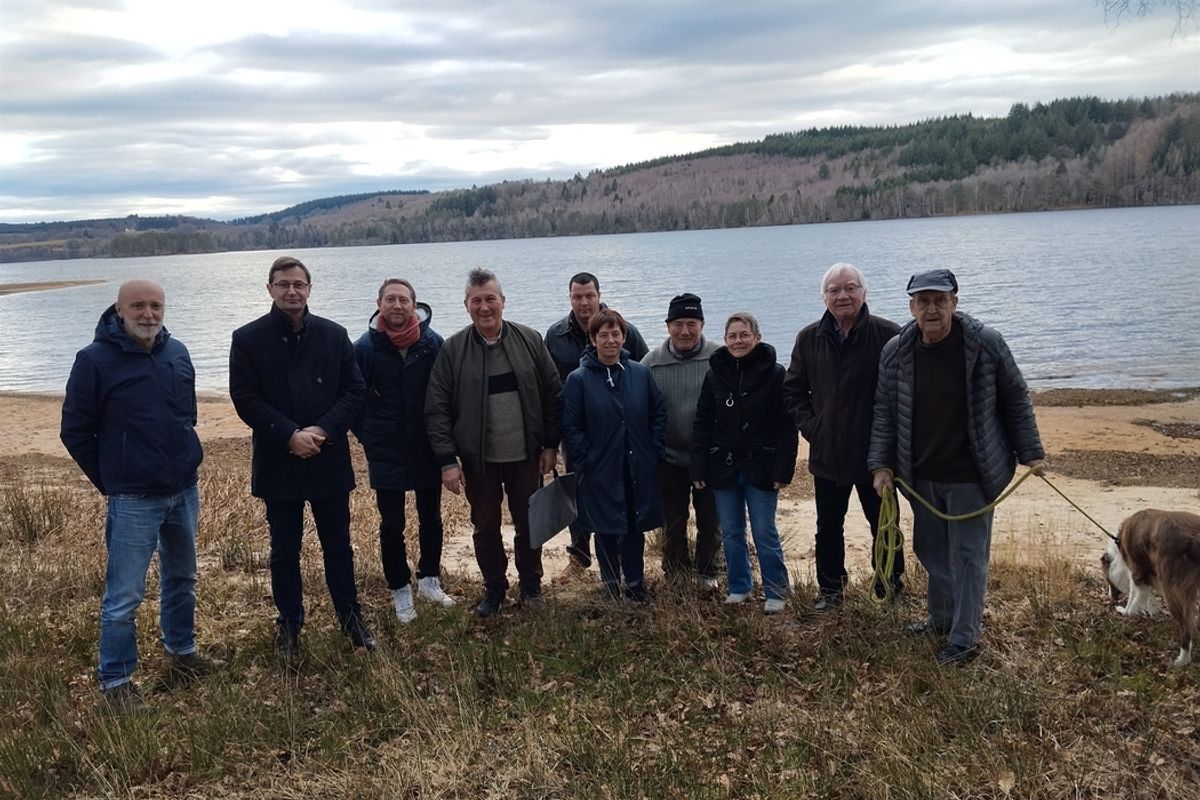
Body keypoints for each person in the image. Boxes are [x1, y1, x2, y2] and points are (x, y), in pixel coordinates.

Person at [869, 269, 1046, 665]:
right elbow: (884, 410)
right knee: (931, 551)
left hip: (972, 474)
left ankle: (965, 638)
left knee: (967, 558)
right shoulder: (895, 351)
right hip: (920, 475)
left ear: (954, 302)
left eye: (939, 300)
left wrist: (1031, 451)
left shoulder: (986, 343)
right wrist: (881, 465)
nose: (931, 309)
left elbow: (1015, 397)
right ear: (912, 308)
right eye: (923, 302)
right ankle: (942, 618)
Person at [61, 279, 221, 712]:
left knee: (183, 577)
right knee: (125, 595)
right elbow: (75, 431)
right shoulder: (94, 360)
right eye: (138, 306)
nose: (148, 314)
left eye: (155, 305)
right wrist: (113, 480)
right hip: (132, 497)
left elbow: (187, 414)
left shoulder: (177, 352)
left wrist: (186, 458)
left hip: (183, 488)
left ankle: (182, 653)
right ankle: (115, 682)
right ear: (119, 309)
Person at [229, 256, 373, 662]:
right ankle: (289, 625)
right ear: (270, 289)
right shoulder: (247, 338)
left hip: (328, 457)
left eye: (298, 284)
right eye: (283, 284)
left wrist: (322, 431)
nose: (291, 291)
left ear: (309, 288)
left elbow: (354, 392)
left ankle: (351, 619)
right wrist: (289, 435)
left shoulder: (334, 334)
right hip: (279, 458)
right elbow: (245, 398)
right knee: (283, 549)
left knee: (338, 546)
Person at [425, 268, 562, 617]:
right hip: (478, 461)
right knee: (485, 527)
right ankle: (495, 589)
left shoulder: (530, 340)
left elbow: (552, 393)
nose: (484, 307)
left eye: (490, 299)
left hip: (526, 456)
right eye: (476, 301)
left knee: (528, 524)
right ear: (466, 306)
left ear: (503, 301)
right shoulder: (453, 350)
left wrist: (550, 444)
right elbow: (437, 409)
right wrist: (447, 461)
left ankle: (531, 585)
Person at [783, 263, 904, 610]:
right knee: (828, 528)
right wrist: (814, 428)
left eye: (850, 288)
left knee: (885, 525)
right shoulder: (809, 338)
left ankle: (889, 587)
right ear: (824, 297)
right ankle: (831, 591)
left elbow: (904, 393)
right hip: (828, 454)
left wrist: (891, 445)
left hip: (875, 456)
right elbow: (793, 391)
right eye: (834, 290)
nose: (843, 295)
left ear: (864, 293)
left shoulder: (889, 335)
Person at [353, 278, 453, 624]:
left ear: (414, 304)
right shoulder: (364, 348)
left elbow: (445, 394)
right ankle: (399, 589)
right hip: (386, 449)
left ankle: (429, 580)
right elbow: (354, 399)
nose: (397, 305)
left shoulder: (432, 343)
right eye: (390, 299)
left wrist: (443, 441)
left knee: (431, 518)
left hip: (426, 446)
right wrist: (371, 438)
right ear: (379, 304)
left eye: (404, 300)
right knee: (391, 524)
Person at [545, 272, 649, 584]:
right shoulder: (556, 336)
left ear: (599, 295)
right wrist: (552, 439)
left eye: (589, 295)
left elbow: (644, 374)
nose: (584, 302)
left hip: (620, 433)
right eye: (577, 296)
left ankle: (622, 559)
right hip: (577, 433)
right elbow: (549, 387)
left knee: (620, 494)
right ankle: (579, 555)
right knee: (578, 493)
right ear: (570, 298)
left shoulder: (623, 330)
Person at [692, 312, 797, 614]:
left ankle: (776, 590)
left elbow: (786, 426)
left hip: (761, 466)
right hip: (723, 466)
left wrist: (783, 469)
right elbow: (702, 422)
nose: (738, 341)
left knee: (764, 531)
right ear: (725, 340)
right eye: (732, 336)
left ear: (757, 338)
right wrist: (698, 466)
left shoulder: (775, 373)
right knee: (731, 532)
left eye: (744, 335)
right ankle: (739, 586)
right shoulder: (715, 374)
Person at [562, 308, 666, 600]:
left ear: (624, 337)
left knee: (634, 525)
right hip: (599, 468)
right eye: (603, 335)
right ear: (592, 339)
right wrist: (586, 460)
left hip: (636, 464)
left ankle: (635, 583)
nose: (610, 340)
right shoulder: (578, 379)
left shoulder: (640, 373)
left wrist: (653, 451)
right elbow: (571, 426)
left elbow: (657, 413)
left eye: (616, 334)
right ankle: (610, 584)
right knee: (605, 527)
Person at [642, 293, 722, 589]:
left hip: (710, 458)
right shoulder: (651, 364)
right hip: (668, 459)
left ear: (702, 324)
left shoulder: (719, 358)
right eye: (678, 324)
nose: (685, 331)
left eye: (692, 323)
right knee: (672, 523)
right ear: (668, 327)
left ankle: (709, 572)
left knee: (711, 521)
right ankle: (676, 575)